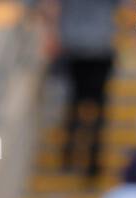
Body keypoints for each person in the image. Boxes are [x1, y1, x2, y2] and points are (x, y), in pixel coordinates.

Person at [46, 0, 118, 181]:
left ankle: (71, 154)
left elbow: (51, 8)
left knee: (75, 103)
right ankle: (88, 159)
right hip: (96, 48)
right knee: (94, 107)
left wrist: (53, 35)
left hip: (77, 48)